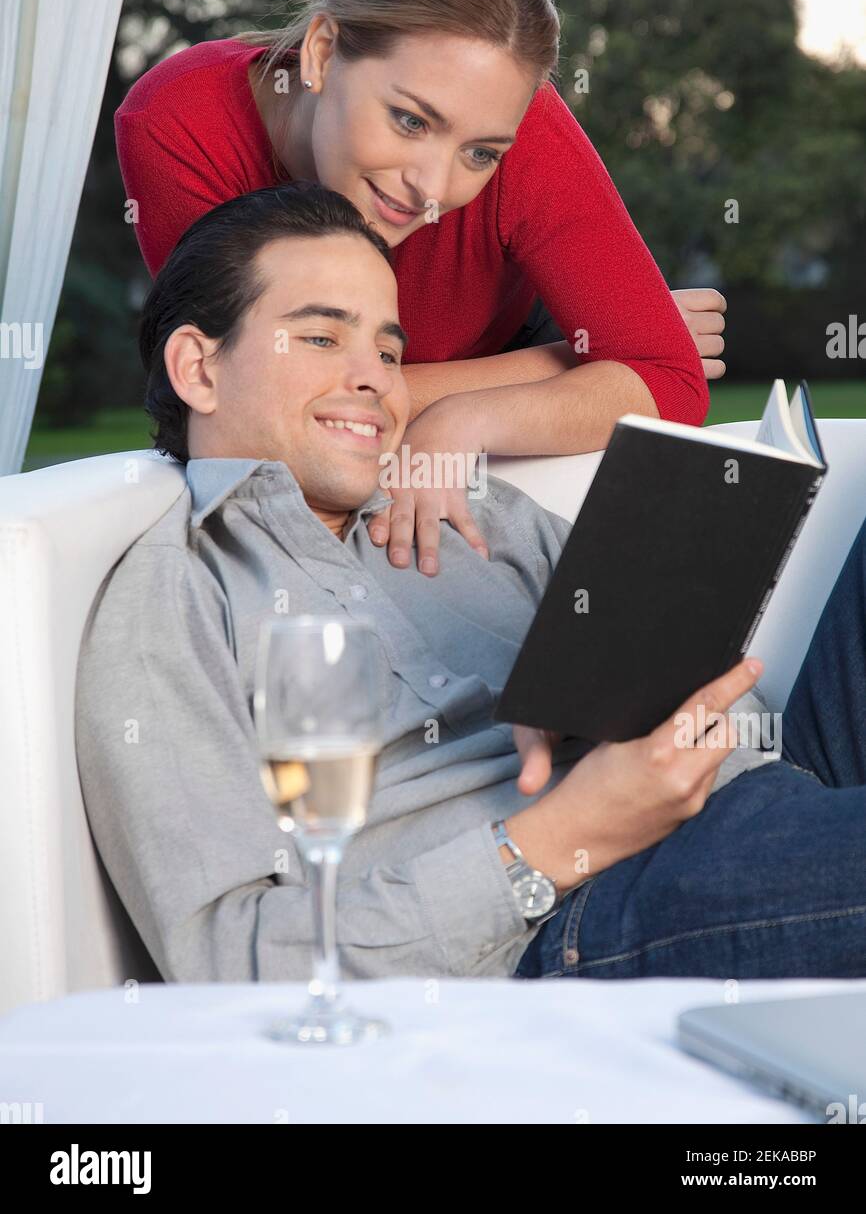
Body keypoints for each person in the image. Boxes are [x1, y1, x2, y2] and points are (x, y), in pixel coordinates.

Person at [77, 182, 866, 987]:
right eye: (320, 338)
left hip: (768, 784)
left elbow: (714, 690)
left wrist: (635, 709)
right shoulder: (174, 598)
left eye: (388, 352)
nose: (378, 382)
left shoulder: (462, 502)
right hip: (580, 908)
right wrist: (564, 833)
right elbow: (227, 959)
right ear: (198, 368)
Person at [114, 0, 727, 577]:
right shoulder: (176, 123)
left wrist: (465, 422)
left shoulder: (533, 135)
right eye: (410, 120)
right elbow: (238, 400)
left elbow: (672, 384)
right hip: (471, 376)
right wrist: (570, 363)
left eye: (481, 153)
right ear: (321, 52)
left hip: (496, 350)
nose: (432, 187)